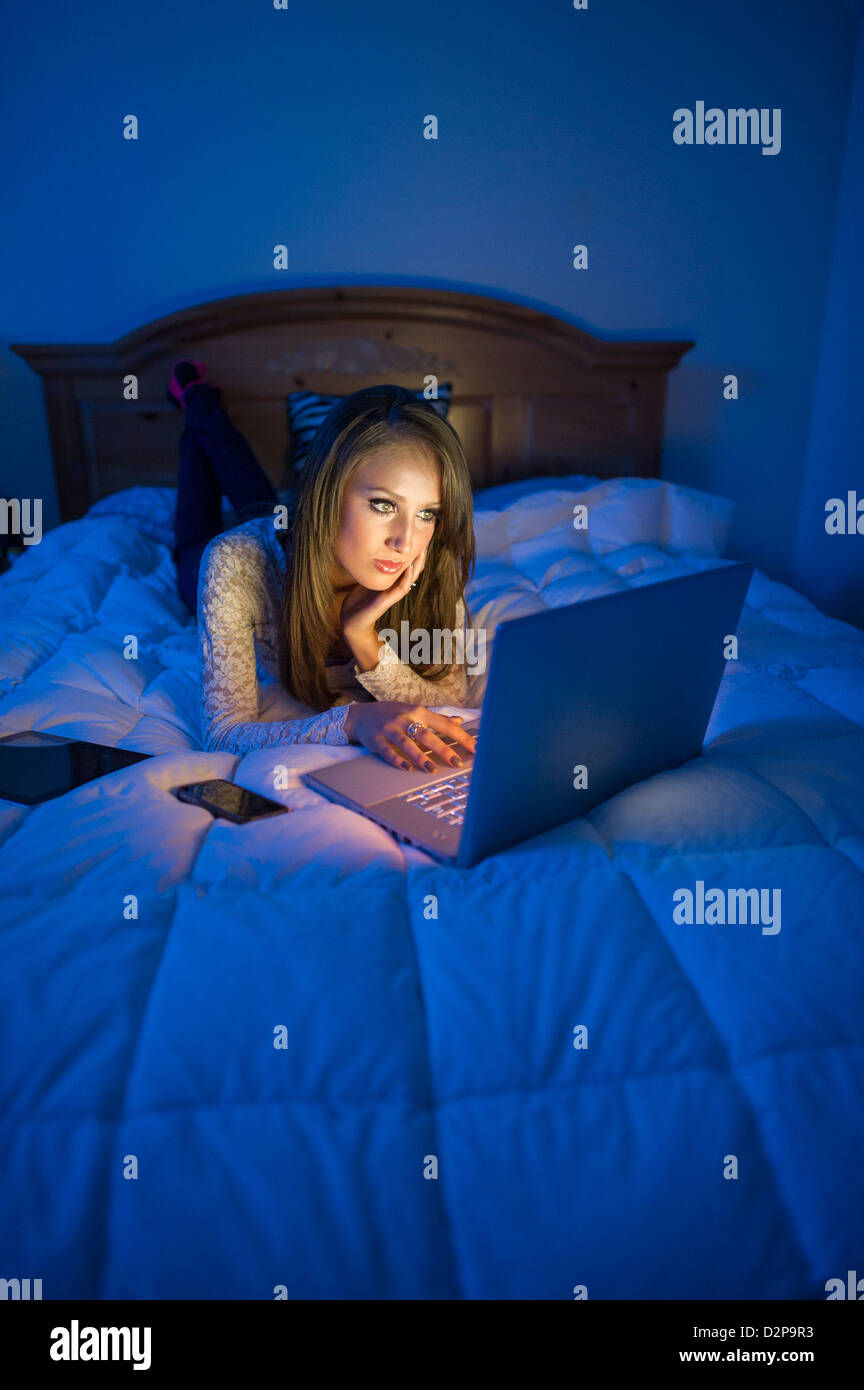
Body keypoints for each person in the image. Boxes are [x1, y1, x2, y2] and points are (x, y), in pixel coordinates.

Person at [168, 361, 478, 771]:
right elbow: (224, 733)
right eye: (383, 505)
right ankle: (197, 403)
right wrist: (352, 720)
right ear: (329, 491)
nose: (405, 541)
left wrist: (364, 640)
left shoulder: (433, 557)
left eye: (428, 513)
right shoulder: (234, 563)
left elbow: (449, 701)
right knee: (195, 535)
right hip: (250, 550)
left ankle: (201, 410)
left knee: (257, 497)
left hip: (301, 524)